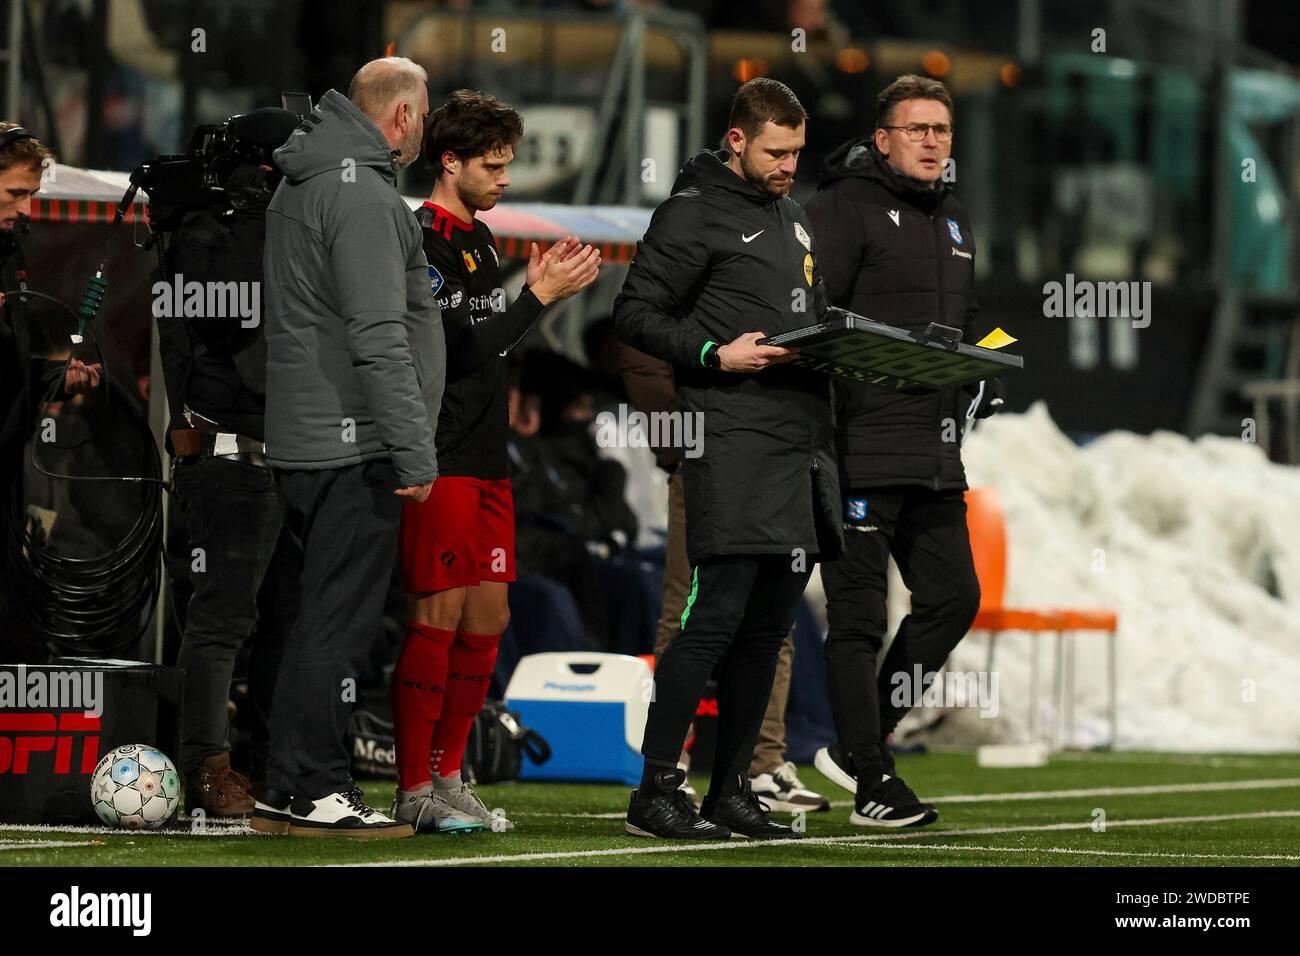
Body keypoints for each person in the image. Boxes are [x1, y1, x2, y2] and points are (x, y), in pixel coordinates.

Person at [614, 77, 842, 840]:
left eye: (798, 153)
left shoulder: (794, 217)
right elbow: (634, 313)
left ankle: (730, 791)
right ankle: (654, 791)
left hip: (800, 444)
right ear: (737, 140)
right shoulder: (689, 211)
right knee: (711, 621)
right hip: (732, 440)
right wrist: (713, 351)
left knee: (767, 628)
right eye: (777, 152)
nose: (788, 166)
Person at [392, 89, 599, 834]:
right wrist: (537, 293)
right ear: (449, 162)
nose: (506, 177)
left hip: (488, 458)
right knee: (437, 619)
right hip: (440, 453)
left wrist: (533, 295)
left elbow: (496, 344)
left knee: (488, 618)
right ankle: (412, 784)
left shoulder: (478, 239)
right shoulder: (423, 240)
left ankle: (451, 774)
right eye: (493, 164)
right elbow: (456, 349)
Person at [804, 75, 1000, 828]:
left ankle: (859, 748)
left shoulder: (955, 220)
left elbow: (974, 321)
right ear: (881, 139)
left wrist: (994, 364)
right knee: (858, 622)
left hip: (934, 452)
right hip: (856, 448)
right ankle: (875, 780)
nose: (930, 141)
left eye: (941, 130)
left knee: (954, 598)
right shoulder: (840, 208)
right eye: (915, 129)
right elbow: (811, 318)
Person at [256, 57, 444, 838]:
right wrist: (413, 449)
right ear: (400, 118)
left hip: (307, 437)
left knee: (310, 618)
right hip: (352, 441)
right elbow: (377, 336)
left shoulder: (302, 178)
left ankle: (287, 783)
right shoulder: (363, 194)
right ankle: (313, 786)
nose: (423, 131)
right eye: (423, 117)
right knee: (334, 622)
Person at [619, 341, 829, 813]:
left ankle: (760, 765)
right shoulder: (694, 275)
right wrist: (683, 440)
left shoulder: (791, 273)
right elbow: (642, 345)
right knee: (690, 614)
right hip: (708, 461)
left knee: (773, 622)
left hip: (780, 460)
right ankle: (668, 770)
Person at [0, 124, 101, 660]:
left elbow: (6, 367)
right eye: (16, 193)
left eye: (32, 196)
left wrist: (53, 379)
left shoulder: (9, 251)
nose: (27, 209)